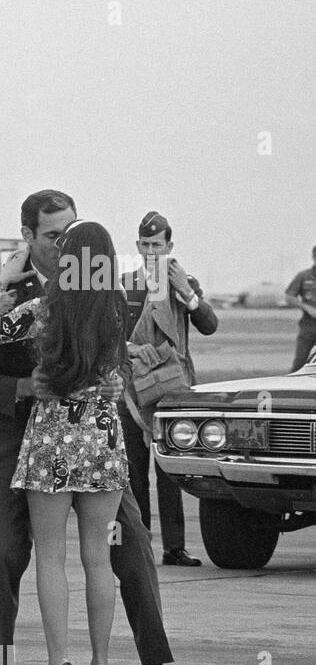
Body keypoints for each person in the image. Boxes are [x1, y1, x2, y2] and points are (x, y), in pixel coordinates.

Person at [0, 190, 174, 665]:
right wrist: (21, 390)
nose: (63, 243)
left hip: (60, 442)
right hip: (20, 433)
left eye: (70, 232)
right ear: (28, 237)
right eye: (54, 234)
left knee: (135, 547)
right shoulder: (19, 290)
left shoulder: (64, 297)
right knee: (2, 551)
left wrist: (114, 377)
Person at [119, 211, 217, 567]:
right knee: (132, 471)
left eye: (156, 245)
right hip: (131, 390)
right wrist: (131, 349)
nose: (150, 251)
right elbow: (110, 335)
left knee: (169, 470)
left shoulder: (182, 283)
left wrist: (188, 294)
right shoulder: (125, 284)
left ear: (169, 246)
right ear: (137, 246)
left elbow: (209, 325)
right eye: (144, 245)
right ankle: (138, 543)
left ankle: (174, 547)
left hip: (171, 389)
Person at [284, 245, 316, 371]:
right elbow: (289, 297)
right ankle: (293, 387)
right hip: (309, 325)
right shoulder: (303, 276)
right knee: (301, 361)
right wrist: (307, 308)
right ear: (314, 257)